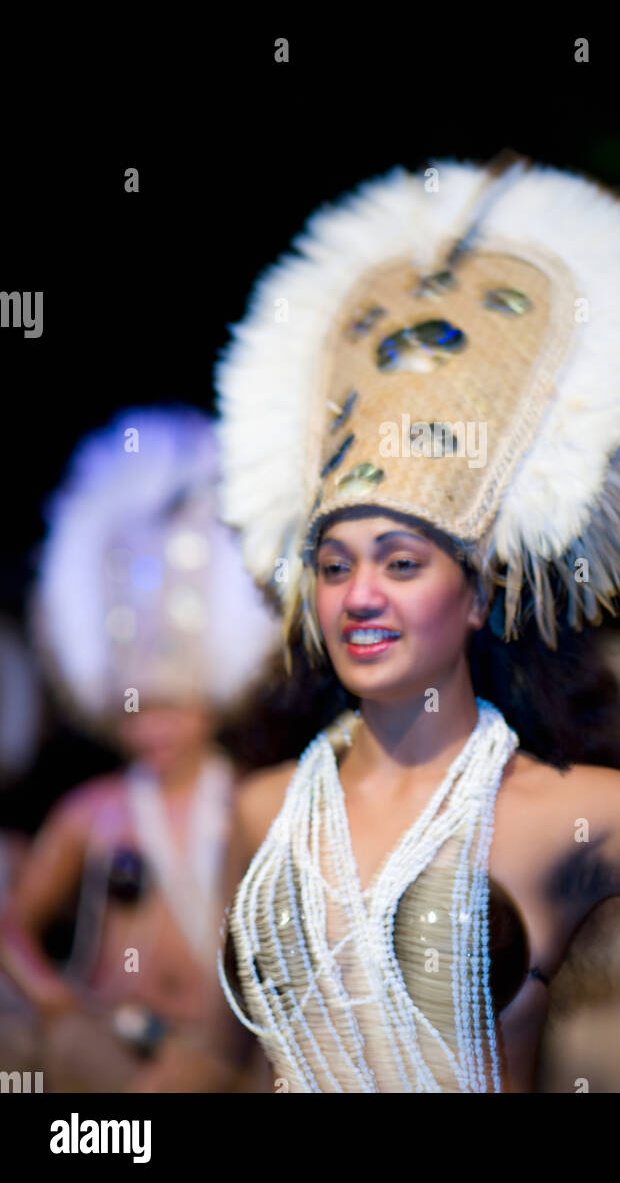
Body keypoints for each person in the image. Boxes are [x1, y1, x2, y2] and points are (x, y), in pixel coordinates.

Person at [213, 152, 620, 1093]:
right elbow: (214, 1057)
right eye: (335, 565)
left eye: (402, 562)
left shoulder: (569, 816)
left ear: (478, 596)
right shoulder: (262, 812)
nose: (361, 594)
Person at [0, 406, 280, 1091]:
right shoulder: (94, 811)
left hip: (217, 1052)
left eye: (171, 709)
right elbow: (11, 925)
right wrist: (55, 1003)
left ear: (213, 703)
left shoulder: (253, 804)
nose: (153, 730)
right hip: (103, 1040)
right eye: (138, 712)